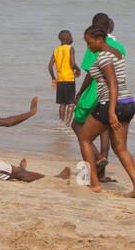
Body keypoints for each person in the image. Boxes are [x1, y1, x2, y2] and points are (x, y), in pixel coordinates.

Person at [76, 24, 135, 195]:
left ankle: (94, 183)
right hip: (128, 103)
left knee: (84, 138)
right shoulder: (117, 53)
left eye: (90, 43)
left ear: (99, 39)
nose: (88, 46)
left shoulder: (103, 57)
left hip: (111, 105)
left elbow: (113, 84)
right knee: (120, 148)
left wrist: (110, 112)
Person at [73, 13, 123, 179]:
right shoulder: (118, 46)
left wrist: (80, 93)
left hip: (94, 93)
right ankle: (102, 169)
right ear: (109, 26)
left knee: (77, 126)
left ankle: (97, 159)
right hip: (113, 95)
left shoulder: (93, 45)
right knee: (104, 130)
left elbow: (90, 73)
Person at [48, 30, 77, 125]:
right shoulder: (70, 48)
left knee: (62, 104)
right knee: (71, 103)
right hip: (69, 79)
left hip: (60, 80)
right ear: (68, 38)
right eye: (71, 36)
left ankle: (61, 122)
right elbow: (72, 64)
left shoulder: (56, 50)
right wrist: (78, 69)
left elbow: (50, 66)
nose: (72, 38)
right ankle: (67, 124)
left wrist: (53, 78)